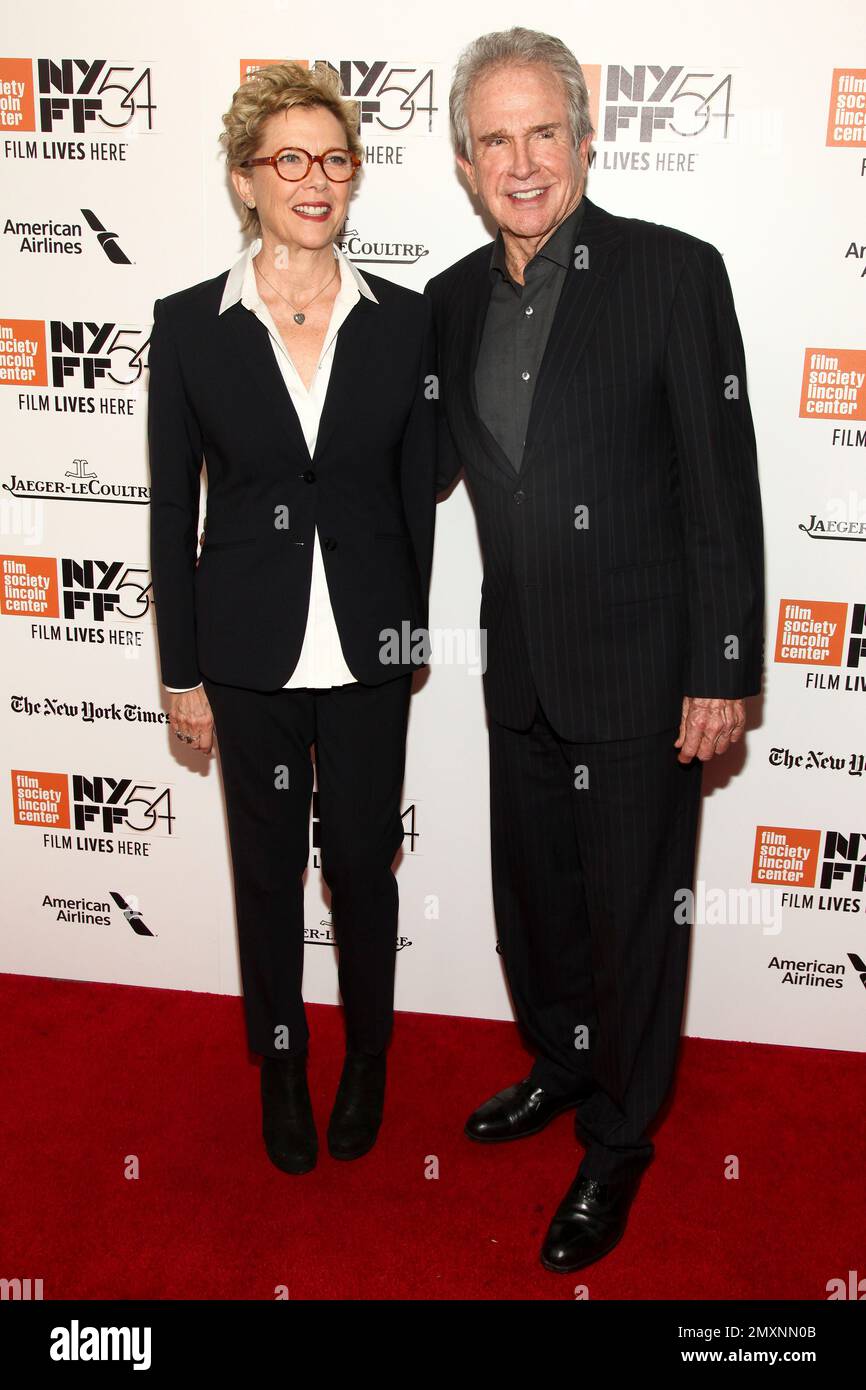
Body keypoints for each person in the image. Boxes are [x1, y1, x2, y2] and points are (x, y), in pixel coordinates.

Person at [426, 27, 764, 1271]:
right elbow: (406, 472)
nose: (520, 162)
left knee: (630, 920)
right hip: (515, 665)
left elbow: (719, 488)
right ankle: (561, 1066)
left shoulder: (671, 274)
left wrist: (722, 666)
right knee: (540, 910)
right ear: (465, 162)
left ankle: (619, 1143)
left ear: (584, 136)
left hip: (639, 672)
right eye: (493, 140)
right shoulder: (452, 300)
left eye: (541, 133)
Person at [147, 62, 437, 1175]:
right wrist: (183, 672)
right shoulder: (189, 327)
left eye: (333, 158)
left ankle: (367, 1055)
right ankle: (282, 1061)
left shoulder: (401, 322)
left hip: (367, 654)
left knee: (363, 865)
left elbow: (415, 495)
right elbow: (176, 510)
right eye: (288, 159)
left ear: (352, 177)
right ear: (244, 179)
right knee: (266, 870)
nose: (314, 180)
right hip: (248, 656)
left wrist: (409, 636)